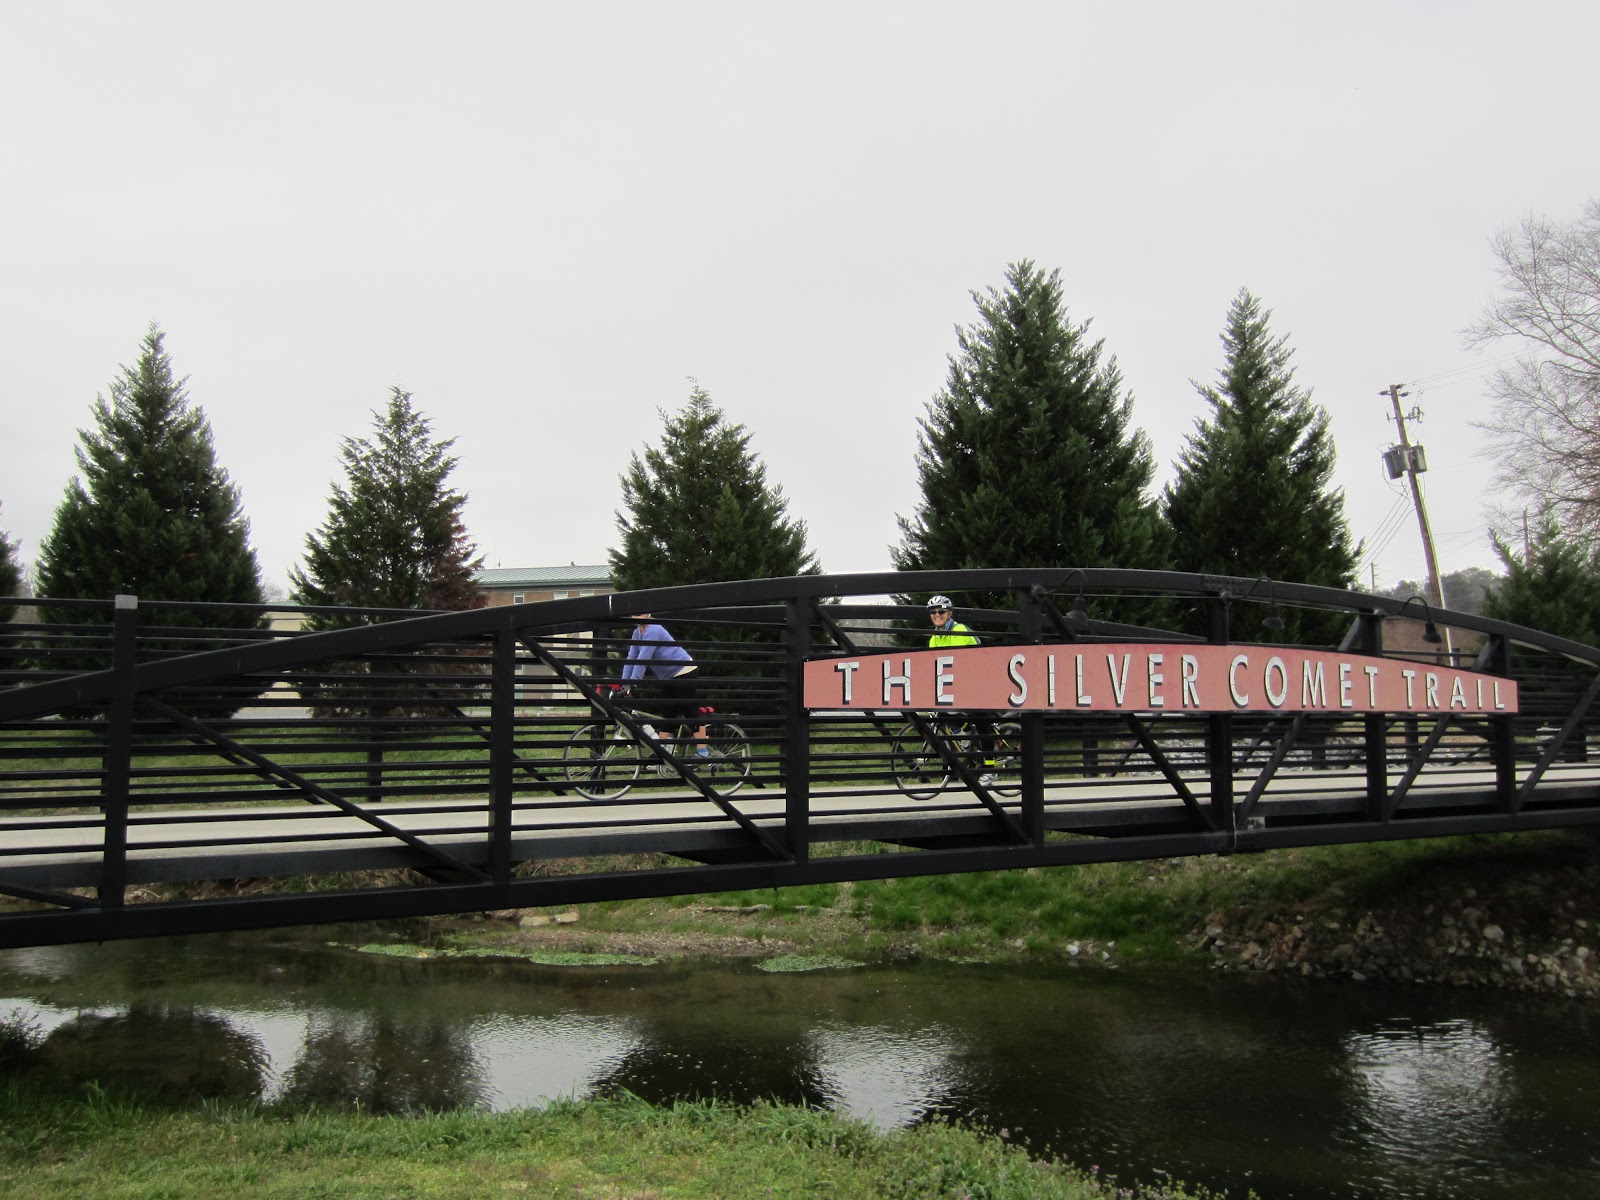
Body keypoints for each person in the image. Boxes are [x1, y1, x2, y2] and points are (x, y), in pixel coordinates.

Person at [925, 595, 997, 787]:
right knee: (940, 714)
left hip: (977, 680)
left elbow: (976, 658)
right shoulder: (934, 639)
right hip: (955, 684)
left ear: (949, 613)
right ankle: (966, 732)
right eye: (933, 612)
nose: (937, 615)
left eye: (941, 611)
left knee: (982, 722)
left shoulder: (960, 630)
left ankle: (990, 770)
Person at [620, 614, 710, 762]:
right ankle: (661, 751)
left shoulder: (654, 630)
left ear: (647, 614)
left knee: (689, 711)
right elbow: (631, 658)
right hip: (668, 677)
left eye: (640, 613)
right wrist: (624, 683)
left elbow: (643, 658)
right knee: (669, 713)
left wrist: (633, 683)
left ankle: (703, 753)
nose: (636, 616)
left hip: (684, 671)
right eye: (634, 613)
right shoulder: (637, 633)